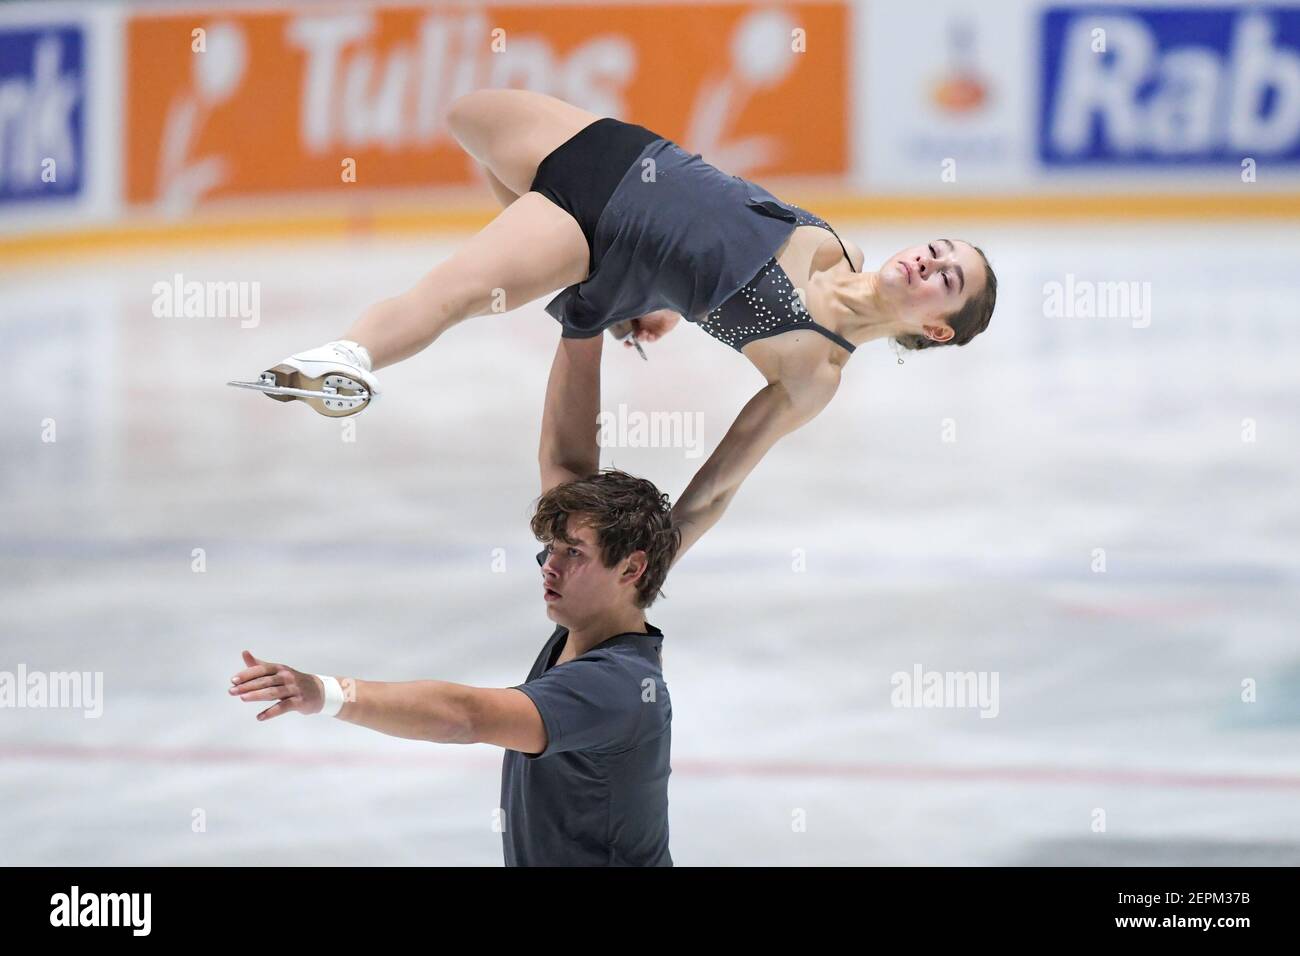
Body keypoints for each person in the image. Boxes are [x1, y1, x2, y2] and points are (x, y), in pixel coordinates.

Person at [229, 88, 997, 560]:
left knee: (453, 294)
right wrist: (657, 301)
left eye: (946, 278)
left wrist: (646, 581)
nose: (927, 263)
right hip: (620, 152)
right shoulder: (843, 246)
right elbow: (721, 235)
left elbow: (715, 490)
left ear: (936, 331)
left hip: (600, 240)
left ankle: (343, 359)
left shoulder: (812, 373)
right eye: (936, 249)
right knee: (468, 115)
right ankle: (564, 289)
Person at [229, 332, 681, 866]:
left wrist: (323, 692)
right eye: (550, 548)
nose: (549, 566)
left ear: (632, 568)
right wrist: (582, 326)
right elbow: (566, 458)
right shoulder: (595, 617)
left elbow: (464, 716)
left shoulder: (614, 688)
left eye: (573, 553)